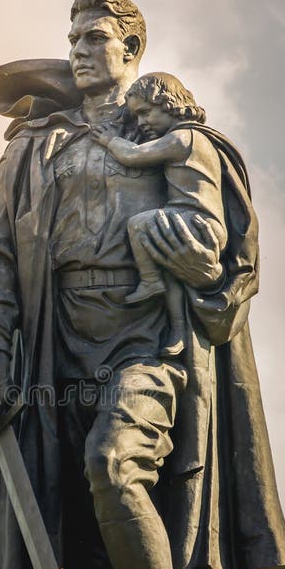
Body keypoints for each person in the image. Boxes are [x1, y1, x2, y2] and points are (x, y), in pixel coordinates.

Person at [0, 0, 285, 569]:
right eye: (73, 39)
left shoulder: (170, 134)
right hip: (59, 349)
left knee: (115, 462)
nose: (80, 51)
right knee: (73, 513)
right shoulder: (34, 148)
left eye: (94, 38)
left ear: (130, 50)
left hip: (153, 337)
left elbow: (226, 252)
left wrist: (200, 269)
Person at [93, 72, 227, 357]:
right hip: (198, 222)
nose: (141, 123)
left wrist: (109, 142)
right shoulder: (200, 140)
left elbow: (135, 156)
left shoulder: (183, 138)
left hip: (194, 219)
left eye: (145, 113)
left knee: (139, 224)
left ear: (167, 104)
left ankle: (150, 279)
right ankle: (177, 331)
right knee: (172, 270)